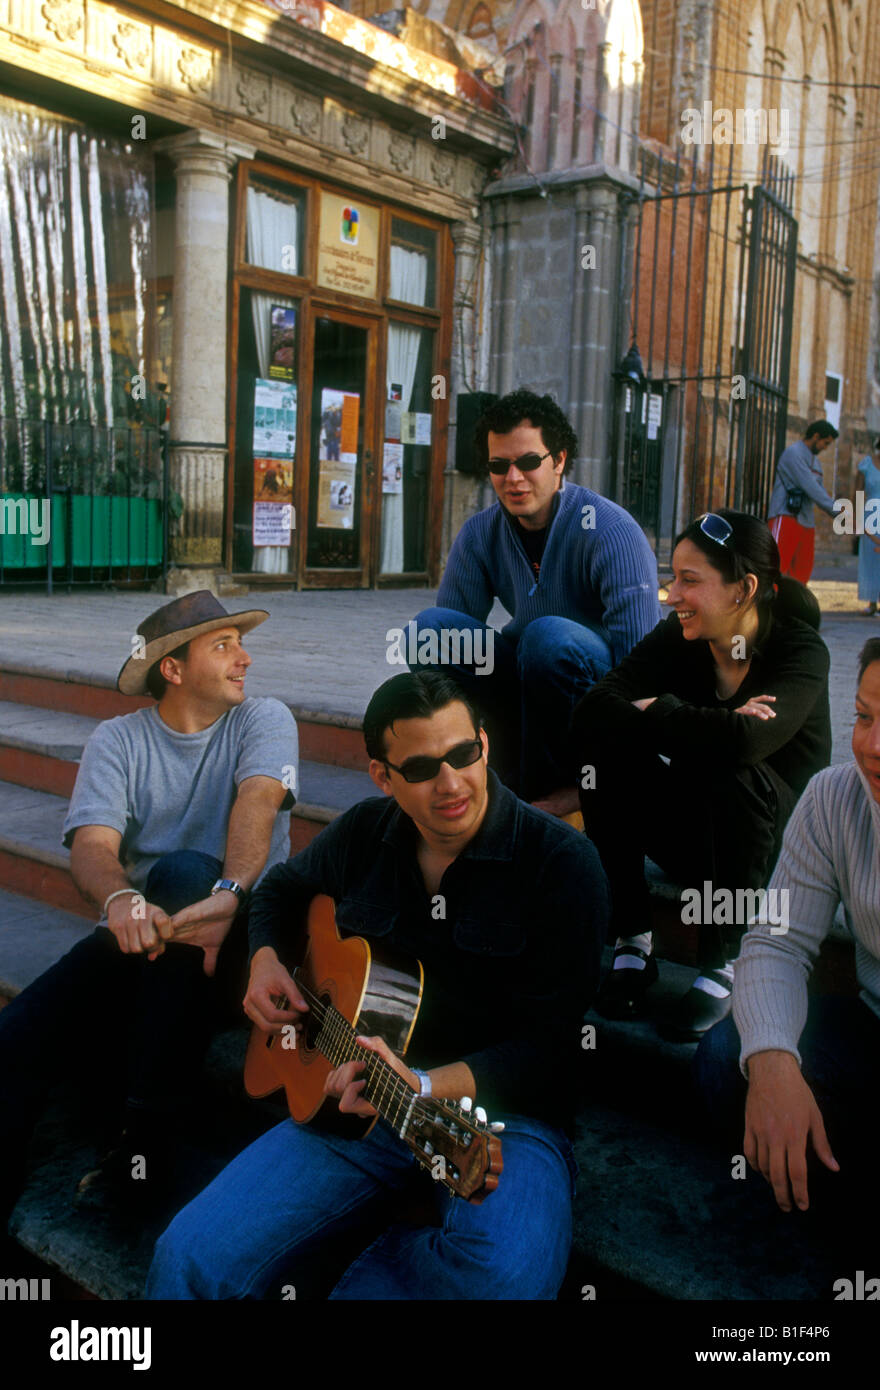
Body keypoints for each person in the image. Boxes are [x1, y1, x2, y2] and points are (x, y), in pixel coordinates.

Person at [146, 670, 609, 1301]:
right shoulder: (366, 831)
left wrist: (422, 1086)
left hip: (504, 1121)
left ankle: (364, 1269)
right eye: (420, 769)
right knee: (189, 1257)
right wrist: (264, 962)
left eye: (462, 755)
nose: (450, 784)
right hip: (352, 1107)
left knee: (502, 1279)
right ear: (383, 777)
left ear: (484, 743)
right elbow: (280, 890)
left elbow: (548, 1048)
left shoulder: (562, 864)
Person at [0, 591, 299, 1228]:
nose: (244, 658)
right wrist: (121, 900)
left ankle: (142, 1145)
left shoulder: (264, 719)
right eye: (223, 646)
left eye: (240, 644)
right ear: (172, 668)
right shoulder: (117, 740)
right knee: (21, 1032)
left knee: (188, 871)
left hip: (244, 950)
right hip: (147, 945)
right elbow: (92, 847)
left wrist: (229, 893)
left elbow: (258, 804)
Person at [571, 510, 831, 1041]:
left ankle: (726, 962)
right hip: (704, 834)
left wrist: (659, 711)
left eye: (690, 581)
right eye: (673, 578)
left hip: (776, 850)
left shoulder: (800, 652)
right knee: (604, 755)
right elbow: (593, 709)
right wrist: (697, 722)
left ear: (744, 588)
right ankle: (633, 941)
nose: (671, 595)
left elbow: (744, 744)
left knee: (728, 766)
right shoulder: (679, 636)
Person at [694, 637, 880, 1239]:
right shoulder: (834, 798)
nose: (873, 747)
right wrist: (774, 1061)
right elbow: (775, 942)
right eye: (865, 717)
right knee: (727, 1060)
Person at [411, 388, 660, 815]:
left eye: (528, 462)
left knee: (548, 637)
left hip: (597, 685)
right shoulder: (480, 533)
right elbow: (451, 638)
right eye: (498, 465)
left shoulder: (610, 529)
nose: (513, 478)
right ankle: (478, 768)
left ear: (559, 460)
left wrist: (618, 766)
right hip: (529, 671)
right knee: (429, 632)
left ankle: (553, 793)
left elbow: (642, 667)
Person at [767, 420, 839, 584]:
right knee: (776, 568)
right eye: (825, 443)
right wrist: (838, 511)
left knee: (801, 573)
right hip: (785, 515)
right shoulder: (794, 453)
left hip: (806, 521)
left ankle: (792, 608)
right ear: (815, 436)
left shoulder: (817, 463)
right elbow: (811, 487)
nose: (825, 448)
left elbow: (819, 492)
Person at [855, 437, 880, 615]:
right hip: (871, 516)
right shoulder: (866, 464)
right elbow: (857, 493)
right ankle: (872, 602)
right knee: (871, 558)